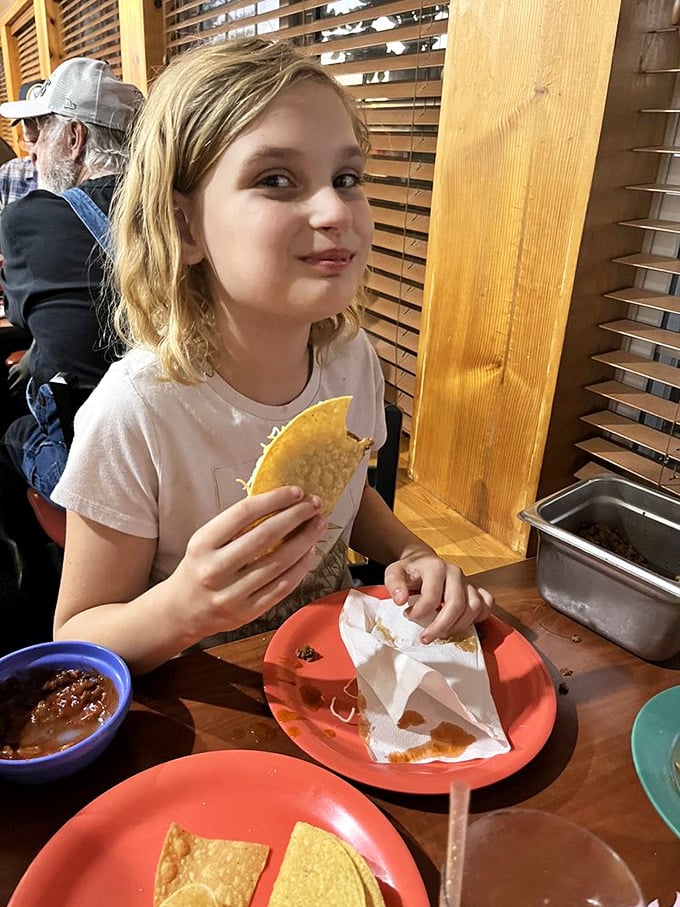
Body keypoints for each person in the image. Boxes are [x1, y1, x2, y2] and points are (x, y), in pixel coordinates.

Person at [51, 38, 494, 675]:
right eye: (276, 180)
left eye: (347, 178)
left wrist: (413, 550)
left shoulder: (351, 359)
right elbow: (77, 634)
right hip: (212, 701)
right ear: (183, 227)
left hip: (340, 671)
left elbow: (347, 493)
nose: (335, 210)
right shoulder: (137, 412)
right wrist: (185, 605)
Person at [0, 58, 143, 608]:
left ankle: (35, 580)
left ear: (75, 137)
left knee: (8, 431)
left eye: (41, 134)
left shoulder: (32, 217)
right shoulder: (183, 210)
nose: (32, 151)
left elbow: (27, 321)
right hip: (187, 442)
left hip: (94, 468)